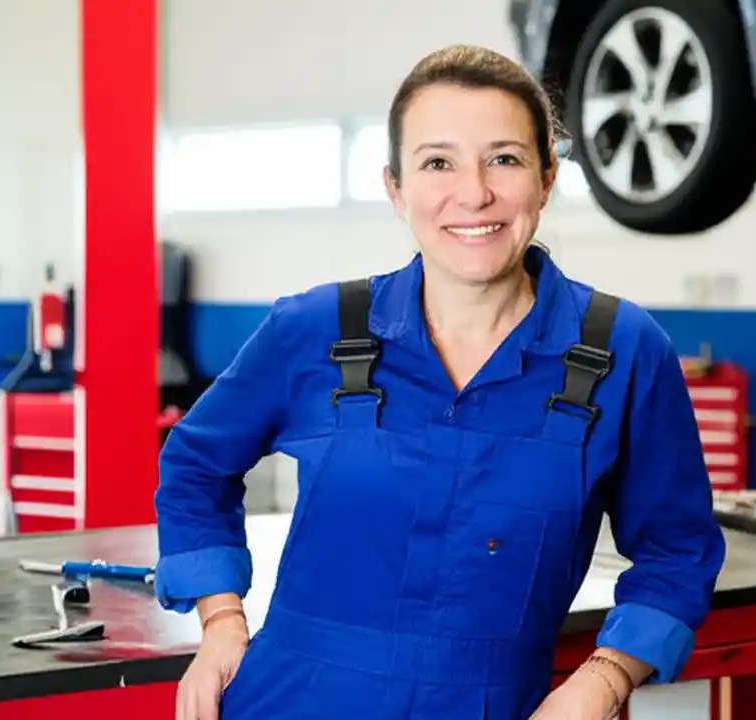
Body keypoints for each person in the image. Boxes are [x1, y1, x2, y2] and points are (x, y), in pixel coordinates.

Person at [154, 43, 727, 720]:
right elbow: (195, 463)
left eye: (505, 159)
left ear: (547, 177)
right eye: (438, 162)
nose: (474, 191)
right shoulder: (314, 330)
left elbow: (679, 550)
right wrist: (220, 616)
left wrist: (601, 679)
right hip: (290, 700)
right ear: (396, 187)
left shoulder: (622, 351)